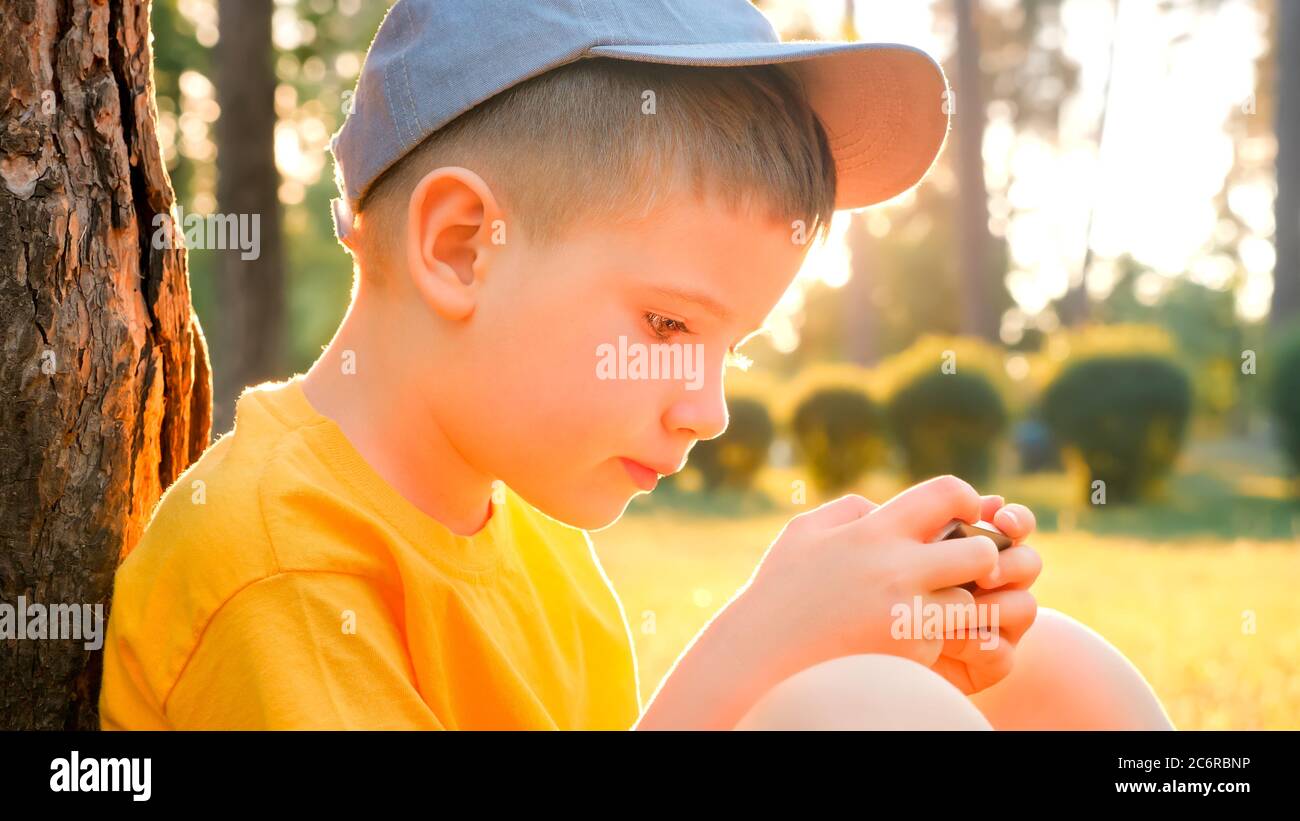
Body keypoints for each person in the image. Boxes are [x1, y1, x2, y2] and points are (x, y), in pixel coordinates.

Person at [99, 0, 1173, 731]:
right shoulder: (277, 563)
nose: (708, 408)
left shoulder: (537, 549)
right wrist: (761, 644)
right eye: (667, 325)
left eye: (730, 347)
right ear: (462, 245)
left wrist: (848, 628)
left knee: (1044, 669)